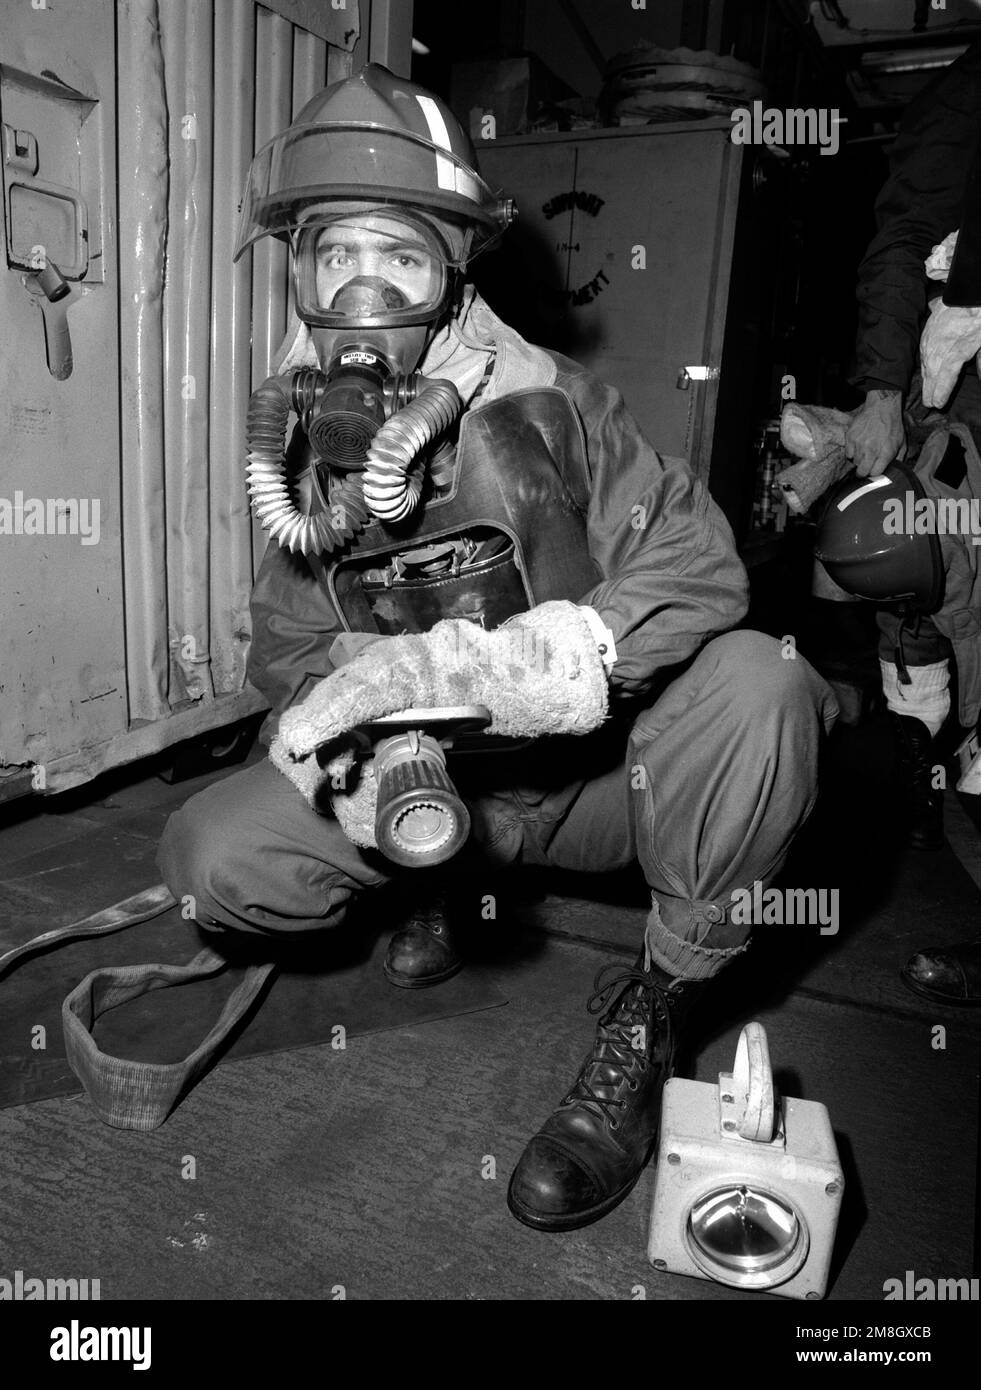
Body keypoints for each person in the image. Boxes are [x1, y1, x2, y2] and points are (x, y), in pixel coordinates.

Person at [157, 64, 836, 1231]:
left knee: (765, 685)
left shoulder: (556, 403)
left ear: (453, 269)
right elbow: (287, 648)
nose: (365, 288)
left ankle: (660, 1007)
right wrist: (362, 739)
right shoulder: (304, 453)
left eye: (402, 258)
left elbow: (705, 567)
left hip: (600, 781)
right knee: (212, 856)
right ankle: (443, 881)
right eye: (335, 257)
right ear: (302, 275)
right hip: (444, 795)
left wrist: (535, 664)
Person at [843, 44, 981, 1003]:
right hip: (963, 398)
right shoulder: (971, 91)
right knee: (916, 583)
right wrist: (883, 389)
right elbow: (902, 239)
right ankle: (922, 775)